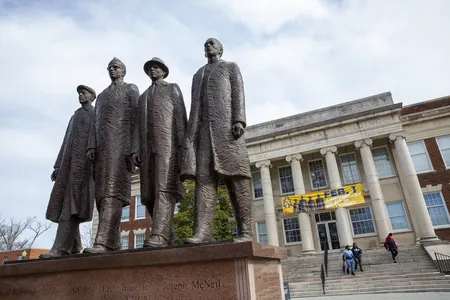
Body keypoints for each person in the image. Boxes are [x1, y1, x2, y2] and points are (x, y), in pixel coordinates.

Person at [181, 38, 253, 243]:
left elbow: (238, 92)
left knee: (238, 178)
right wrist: (190, 136)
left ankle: (246, 231)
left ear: (220, 48)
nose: (208, 46)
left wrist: (239, 119)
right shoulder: (198, 75)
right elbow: (195, 106)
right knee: (204, 183)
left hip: (228, 131)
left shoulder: (230, 67)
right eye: (206, 45)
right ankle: (202, 233)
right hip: (203, 134)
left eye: (212, 43)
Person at [84, 57, 140, 253]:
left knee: (112, 192)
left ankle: (102, 241)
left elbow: (136, 120)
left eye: (116, 67)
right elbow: (95, 123)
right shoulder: (102, 95)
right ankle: (113, 241)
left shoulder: (131, 89)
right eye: (110, 68)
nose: (112, 70)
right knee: (101, 194)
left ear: (123, 71)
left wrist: (135, 148)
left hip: (120, 149)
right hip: (102, 151)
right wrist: (92, 145)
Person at [131, 57, 187, 247]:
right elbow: (138, 127)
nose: (153, 70)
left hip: (168, 147)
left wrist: (183, 146)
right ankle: (167, 234)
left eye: (156, 67)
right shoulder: (143, 96)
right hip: (147, 151)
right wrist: (136, 149)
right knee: (149, 194)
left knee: (165, 188)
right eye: (150, 68)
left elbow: (180, 119)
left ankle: (160, 236)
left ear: (164, 71)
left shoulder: (172, 89)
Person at [40, 85, 96, 258]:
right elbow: (65, 143)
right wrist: (58, 166)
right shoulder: (75, 116)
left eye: (84, 93)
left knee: (72, 206)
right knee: (67, 205)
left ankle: (60, 247)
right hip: (68, 168)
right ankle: (73, 245)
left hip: (84, 169)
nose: (81, 95)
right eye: (79, 93)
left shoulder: (95, 114)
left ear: (92, 97)